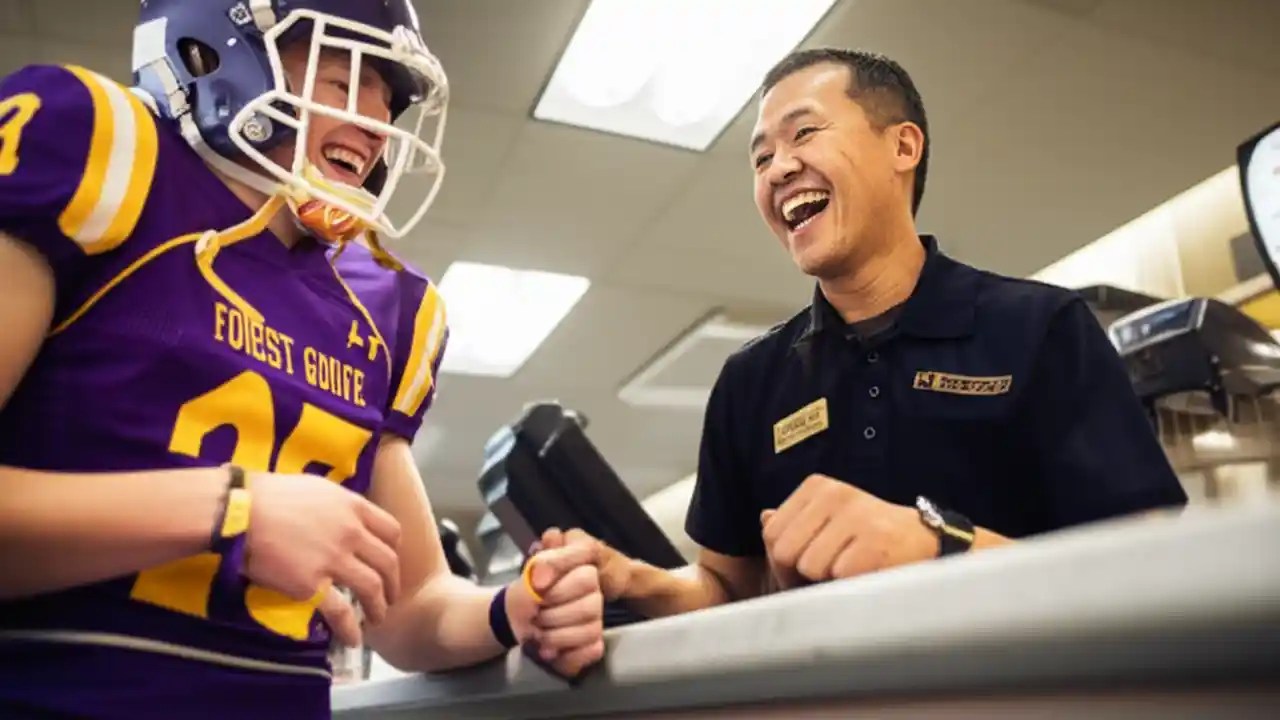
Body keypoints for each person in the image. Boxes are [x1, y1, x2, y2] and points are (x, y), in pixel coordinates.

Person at [0, 2, 604, 717]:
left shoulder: (388, 306)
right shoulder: (103, 152)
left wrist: (515, 609)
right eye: (340, 71)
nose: (375, 113)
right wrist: (229, 512)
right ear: (213, 52)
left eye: (388, 89)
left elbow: (411, 603)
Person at [549, 47, 1188, 614]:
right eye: (762, 157)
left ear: (902, 147)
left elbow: (1151, 565)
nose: (777, 169)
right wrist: (637, 581)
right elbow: (726, 588)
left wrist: (942, 546)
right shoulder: (750, 384)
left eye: (804, 134)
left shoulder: (1041, 328)